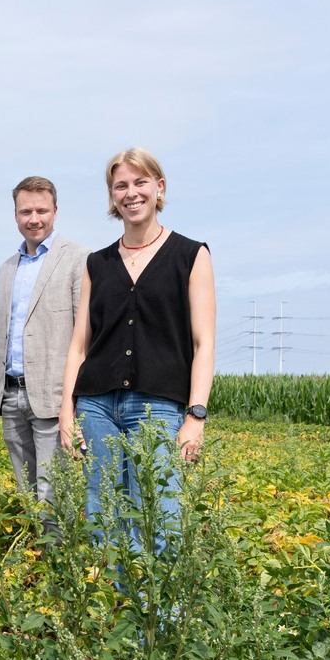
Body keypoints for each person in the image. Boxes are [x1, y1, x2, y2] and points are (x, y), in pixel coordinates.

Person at [59, 147, 216, 552]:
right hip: (95, 408)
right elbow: (80, 345)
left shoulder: (190, 255)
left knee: (160, 518)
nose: (131, 193)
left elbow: (204, 343)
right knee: (103, 515)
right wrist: (66, 411)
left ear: (159, 188)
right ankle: (119, 612)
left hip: (159, 407)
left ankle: (161, 616)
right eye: (121, 186)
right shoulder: (97, 263)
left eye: (140, 182)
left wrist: (196, 415)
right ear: (112, 196)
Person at [0, 177, 90, 530]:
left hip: (55, 398)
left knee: (52, 495)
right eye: (26, 211)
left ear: (55, 212)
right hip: (10, 398)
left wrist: (76, 401)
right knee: (29, 495)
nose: (34, 218)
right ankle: (41, 568)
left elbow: (85, 337)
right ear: (15, 215)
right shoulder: (7, 269)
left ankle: (60, 571)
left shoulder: (77, 259)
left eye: (42, 210)